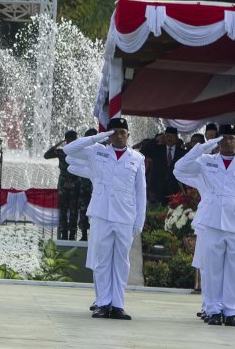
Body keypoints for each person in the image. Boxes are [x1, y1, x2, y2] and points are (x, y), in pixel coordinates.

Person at [174, 124, 235, 326]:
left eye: (231, 138)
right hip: (212, 221)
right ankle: (213, 310)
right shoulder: (205, 161)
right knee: (212, 269)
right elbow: (180, 168)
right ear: (218, 141)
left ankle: (230, 312)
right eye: (224, 138)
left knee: (234, 270)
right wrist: (203, 147)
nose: (228, 141)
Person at [63, 117, 146, 321]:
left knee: (121, 262)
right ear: (109, 135)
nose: (119, 136)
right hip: (101, 214)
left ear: (128, 135)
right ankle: (102, 303)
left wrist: (139, 221)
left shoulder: (137, 158)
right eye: (114, 132)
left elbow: (140, 192)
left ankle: (117, 305)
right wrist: (97, 138)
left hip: (125, 216)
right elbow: (69, 151)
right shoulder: (97, 151)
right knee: (101, 261)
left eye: (122, 132)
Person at [45, 130, 81, 240]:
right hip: (64, 185)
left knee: (74, 210)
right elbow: (46, 155)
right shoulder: (62, 152)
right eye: (69, 139)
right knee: (63, 210)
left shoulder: (79, 152)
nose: (71, 141)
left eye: (73, 139)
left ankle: (72, 234)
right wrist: (59, 143)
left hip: (75, 184)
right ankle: (63, 233)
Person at [143, 126, 185, 205]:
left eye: (172, 136)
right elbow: (144, 150)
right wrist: (156, 139)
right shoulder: (157, 149)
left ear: (176, 138)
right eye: (168, 136)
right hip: (157, 187)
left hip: (174, 189)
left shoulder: (182, 153)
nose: (170, 138)